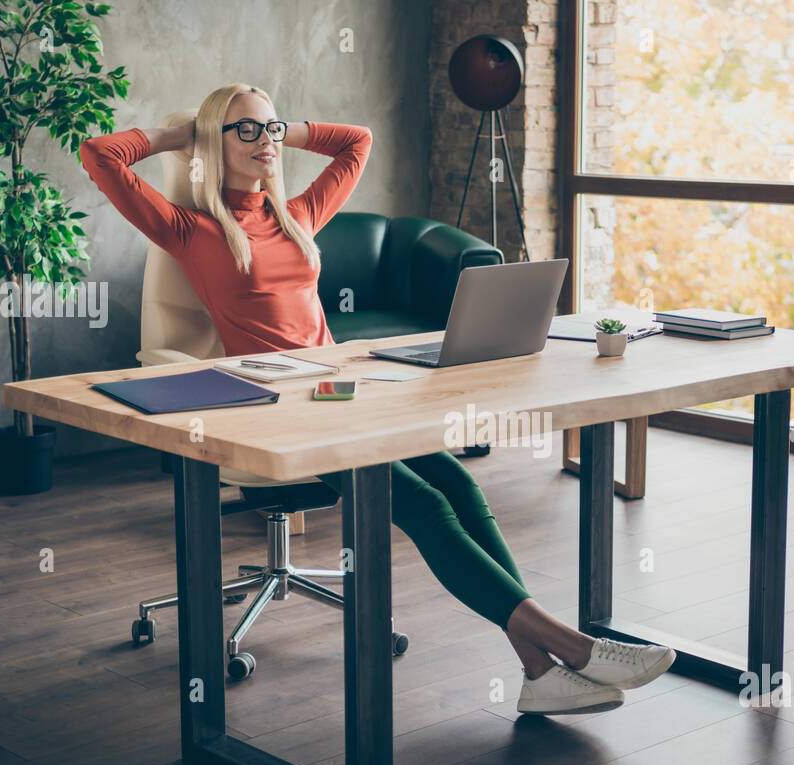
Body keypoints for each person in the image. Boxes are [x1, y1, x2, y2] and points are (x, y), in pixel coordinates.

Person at [79, 83, 675, 714]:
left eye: (271, 129)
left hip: (343, 389)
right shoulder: (190, 229)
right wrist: (183, 136)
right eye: (246, 132)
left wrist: (284, 127)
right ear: (213, 144)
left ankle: (537, 668)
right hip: (279, 410)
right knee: (417, 501)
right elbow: (100, 155)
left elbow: (356, 143)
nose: (266, 143)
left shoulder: (296, 216)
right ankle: (571, 648)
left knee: (458, 485)